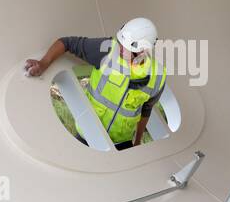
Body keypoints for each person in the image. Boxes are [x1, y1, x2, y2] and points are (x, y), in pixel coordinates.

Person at [25, 17, 165, 149]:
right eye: (121, 43)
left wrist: (137, 142)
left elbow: (146, 109)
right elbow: (66, 43)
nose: (121, 49)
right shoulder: (107, 50)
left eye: (127, 47)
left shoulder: (157, 76)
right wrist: (43, 63)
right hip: (88, 135)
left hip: (122, 143)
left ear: (143, 51)